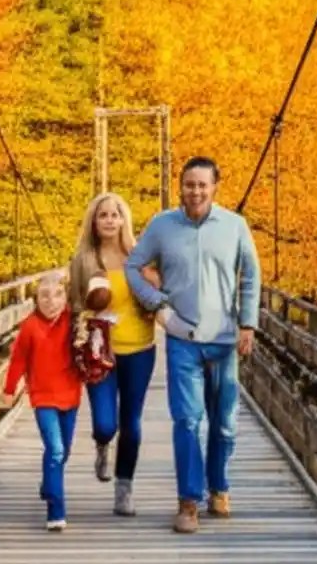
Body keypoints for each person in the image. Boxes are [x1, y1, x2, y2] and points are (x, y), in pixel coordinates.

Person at [124, 156, 261, 534]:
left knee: (225, 426)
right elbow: (133, 267)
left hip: (225, 340)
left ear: (215, 186)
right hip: (182, 339)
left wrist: (249, 322)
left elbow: (251, 274)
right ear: (180, 186)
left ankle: (219, 485)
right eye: (189, 184)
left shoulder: (235, 226)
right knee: (187, 420)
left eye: (202, 184)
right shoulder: (161, 225)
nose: (195, 191)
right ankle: (188, 502)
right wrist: (157, 306)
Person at [69, 192, 158, 516]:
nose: (109, 220)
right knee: (106, 423)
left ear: (124, 220)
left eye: (115, 214)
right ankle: (102, 444)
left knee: (131, 422)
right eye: (102, 215)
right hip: (99, 349)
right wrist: (90, 311)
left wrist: (154, 296)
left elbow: (157, 296)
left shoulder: (139, 257)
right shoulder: (84, 260)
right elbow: (73, 305)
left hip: (139, 348)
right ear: (94, 221)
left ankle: (124, 488)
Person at [2, 273, 81, 531]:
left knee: (64, 451)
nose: (51, 301)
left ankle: (48, 484)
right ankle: (55, 511)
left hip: (70, 394)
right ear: (35, 299)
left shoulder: (74, 321)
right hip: (43, 397)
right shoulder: (30, 326)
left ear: (66, 297)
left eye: (58, 295)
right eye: (44, 296)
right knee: (56, 449)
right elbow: (18, 360)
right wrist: (9, 389)